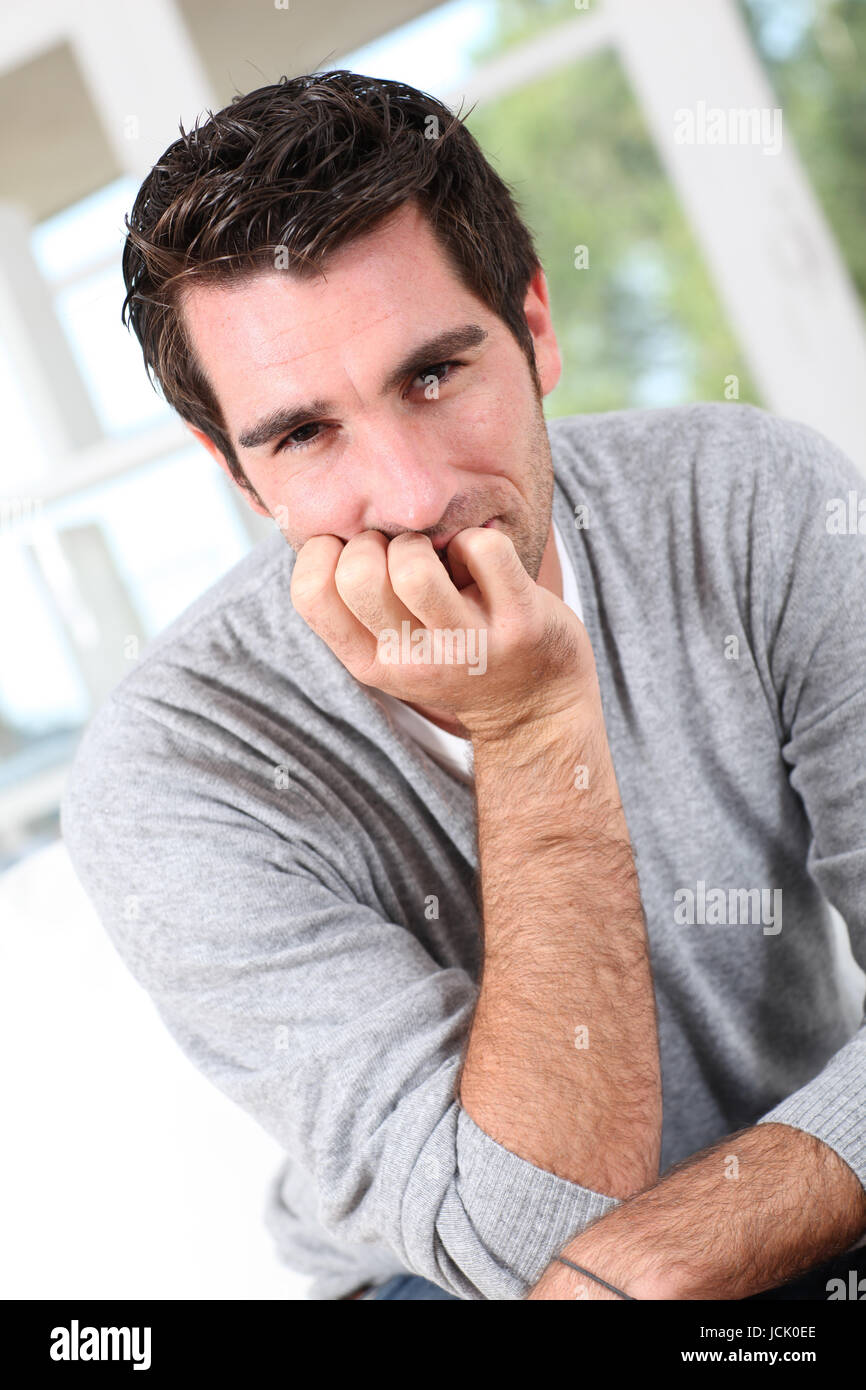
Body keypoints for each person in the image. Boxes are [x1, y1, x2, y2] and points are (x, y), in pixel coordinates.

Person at [60, 70, 866, 1302]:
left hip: (801, 1180)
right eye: (303, 434)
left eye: (434, 373)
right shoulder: (169, 769)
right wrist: (533, 724)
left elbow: (598, 1268)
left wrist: (676, 1243)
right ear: (235, 470)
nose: (412, 494)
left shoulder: (749, 503)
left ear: (533, 327)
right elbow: (511, 1242)